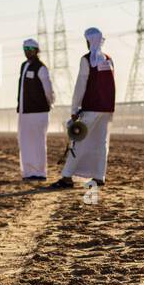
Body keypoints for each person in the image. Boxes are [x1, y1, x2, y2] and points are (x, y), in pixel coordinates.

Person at [49, 27, 114, 189]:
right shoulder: (108, 59)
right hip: (107, 109)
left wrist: (74, 109)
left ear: (89, 41)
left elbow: (80, 86)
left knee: (77, 141)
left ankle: (66, 177)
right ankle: (99, 176)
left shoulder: (86, 60)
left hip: (91, 108)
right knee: (101, 142)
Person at [16, 38, 55, 181]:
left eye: (30, 49)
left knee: (38, 142)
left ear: (36, 51)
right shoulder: (23, 66)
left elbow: (48, 89)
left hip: (39, 112)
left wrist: (50, 103)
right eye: (25, 49)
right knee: (25, 142)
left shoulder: (41, 67)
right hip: (24, 112)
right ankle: (28, 172)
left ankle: (40, 173)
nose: (27, 52)